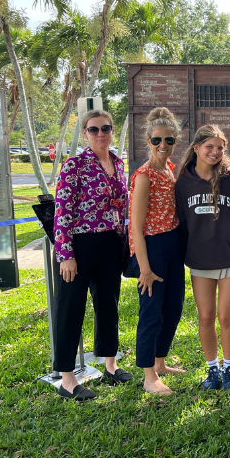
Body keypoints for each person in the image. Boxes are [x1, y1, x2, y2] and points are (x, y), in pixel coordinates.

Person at [53, 110, 131, 400]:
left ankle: (110, 364)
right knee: (71, 309)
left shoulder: (117, 163)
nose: (101, 134)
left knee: (108, 305)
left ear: (112, 131)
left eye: (106, 128)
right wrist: (66, 254)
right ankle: (67, 379)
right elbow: (61, 211)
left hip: (110, 243)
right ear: (85, 133)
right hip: (79, 245)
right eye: (94, 129)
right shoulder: (74, 165)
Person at [175, 125, 230, 391]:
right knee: (206, 316)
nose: (215, 152)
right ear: (196, 148)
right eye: (210, 146)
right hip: (200, 259)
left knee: (225, 315)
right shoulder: (184, 181)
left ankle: (229, 367)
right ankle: (212, 369)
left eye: (220, 147)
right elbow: (182, 222)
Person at [128, 107, 186, 396]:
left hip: (173, 244)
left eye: (169, 140)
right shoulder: (144, 175)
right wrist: (145, 268)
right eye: (157, 140)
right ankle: (148, 376)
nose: (163, 146)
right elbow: (136, 228)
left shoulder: (171, 170)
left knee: (173, 307)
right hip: (151, 247)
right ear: (148, 141)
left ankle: (160, 362)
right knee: (151, 311)